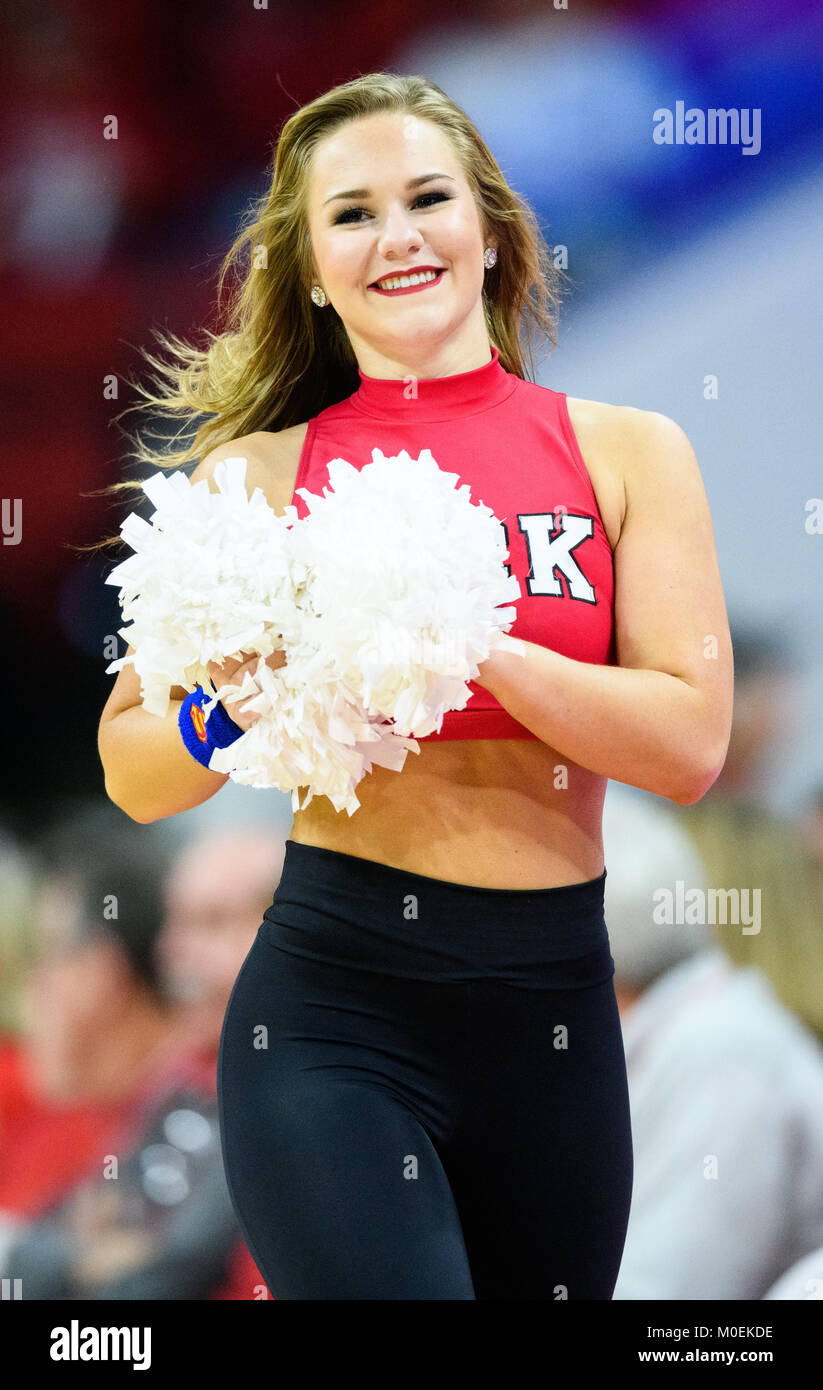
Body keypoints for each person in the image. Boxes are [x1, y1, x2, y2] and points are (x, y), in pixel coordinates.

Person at [97, 73, 733, 1299]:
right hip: (336, 1018)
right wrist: (229, 706)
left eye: (427, 198)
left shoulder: (628, 451)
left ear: (489, 230)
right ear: (310, 266)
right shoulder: (258, 478)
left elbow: (688, 740)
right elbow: (135, 772)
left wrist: (473, 642)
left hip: (554, 1021)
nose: (396, 236)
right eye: (352, 214)